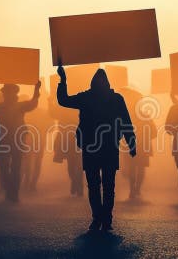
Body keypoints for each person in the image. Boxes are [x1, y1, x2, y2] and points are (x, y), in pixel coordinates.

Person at [57, 65, 136, 231]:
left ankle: (98, 218)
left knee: (94, 185)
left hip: (91, 148)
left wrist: (63, 80)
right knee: (108, 185)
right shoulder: (116, 99)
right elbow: (126, 122)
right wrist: (131, 143)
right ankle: (106, 219)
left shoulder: (87, 97)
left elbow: (63, 100)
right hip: (109, 147)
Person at [0, 82, 40, 202]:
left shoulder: (20, 106)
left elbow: (33, 104)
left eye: (11, 93)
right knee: (5, 168)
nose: (10, 95)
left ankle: (13, 192)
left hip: (15, 140)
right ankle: (11, 190)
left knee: (15, 167)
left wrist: (36, 90)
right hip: (3, 140)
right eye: (7, 93)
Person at [118, 86, 156, 201]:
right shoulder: (146, 116)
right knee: (141, 168)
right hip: (143, 146)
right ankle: (137, 188)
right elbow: (154, 132)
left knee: (132, 167)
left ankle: (132, 189)